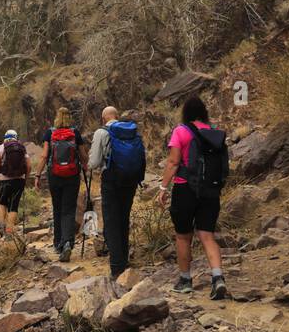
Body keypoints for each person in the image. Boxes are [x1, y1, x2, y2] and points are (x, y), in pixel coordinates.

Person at [159, 95, 229, 300]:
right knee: (207, 234)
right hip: (210, 190)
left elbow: (173, 162)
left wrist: (163, 187)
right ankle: (218, 278)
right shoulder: (213, 132)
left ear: (186, 113)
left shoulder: (181, 131)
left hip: (185, 188)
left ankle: (185, 280)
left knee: (183, 235)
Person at [89, 106, 145, 279]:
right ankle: (124, 260)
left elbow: (94, 162)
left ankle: (116, 266)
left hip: (111, 180)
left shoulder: (101, 132)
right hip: (131, 180)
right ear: (117, 116)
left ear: (103, 118)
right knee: (123, 217)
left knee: (111, 220)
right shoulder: (131, 132)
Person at [35, 107, 87, 260]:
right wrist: (86, 167)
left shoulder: (50, 133)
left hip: (54, 175)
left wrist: (37, 174)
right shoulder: (75, 132)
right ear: (69, 117)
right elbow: (83, 155)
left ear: (57, 117)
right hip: (72, 174)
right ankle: (68, 243)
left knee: (57, 207)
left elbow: (44, 156)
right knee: (69, 209)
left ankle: (58, 243)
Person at [0, 129, 29, 237]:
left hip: (3, 180)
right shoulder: (22, 148)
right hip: (19, 180)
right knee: (14, 205)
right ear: (16, 137)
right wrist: (25, 178)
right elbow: (29, 166)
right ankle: (9, 231)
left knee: (2, 202)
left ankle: (1, 227)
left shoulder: (0, 147)